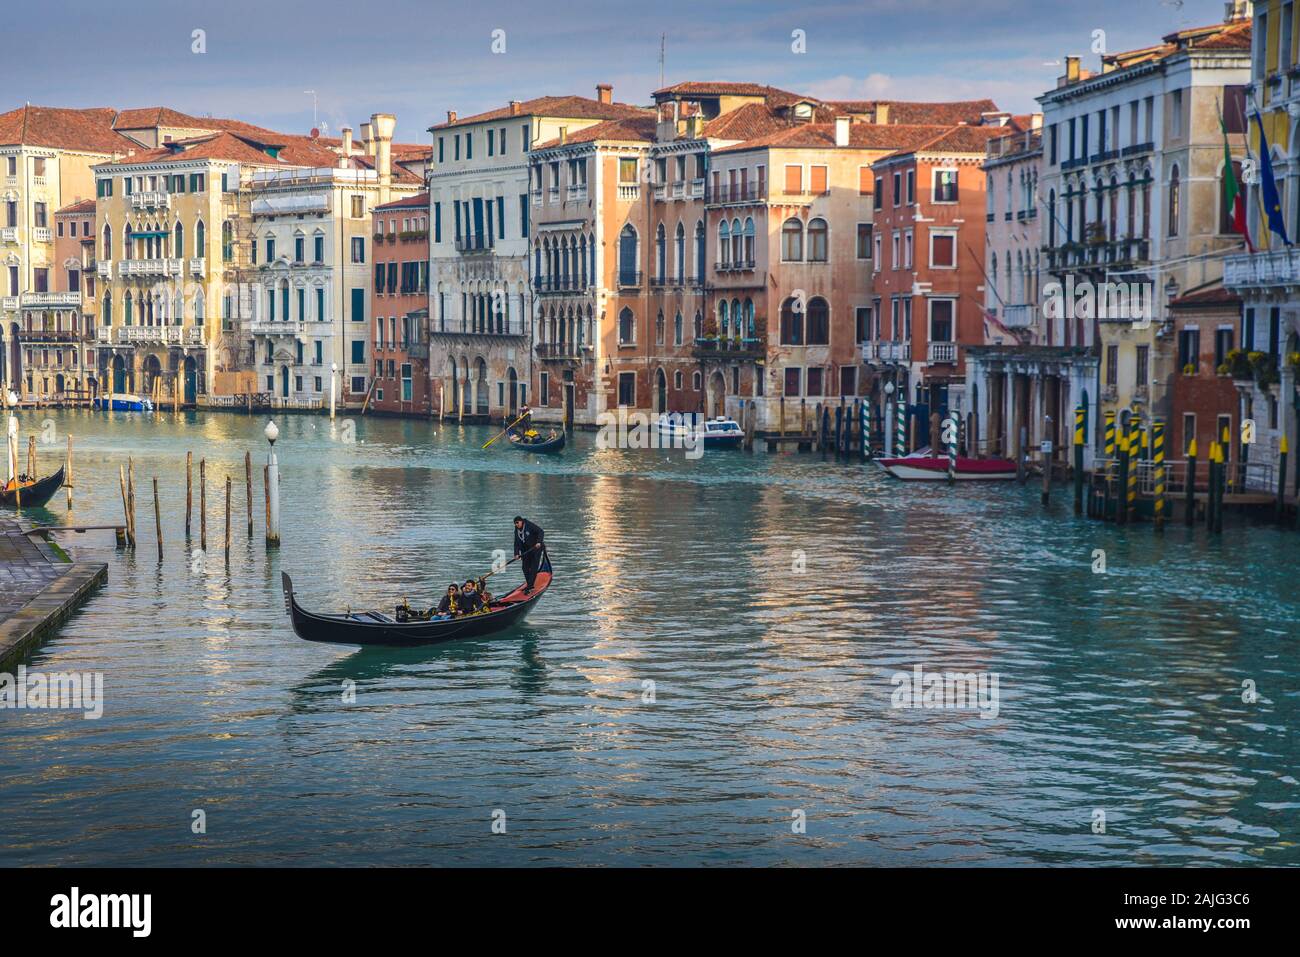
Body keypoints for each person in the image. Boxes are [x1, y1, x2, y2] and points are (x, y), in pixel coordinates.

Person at [512, 516, 545, 594]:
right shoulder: (516, 530)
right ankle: (530, 584)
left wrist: (539, 542)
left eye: (517, 523)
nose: (516, 525)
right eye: (515, 523)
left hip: (535, 548)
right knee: (525, 568)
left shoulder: (529, 525)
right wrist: (516, 554)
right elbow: (516, 543)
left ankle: (530, 586)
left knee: (533, 568)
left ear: (521, 521)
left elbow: (541, 531)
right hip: (526, 551)